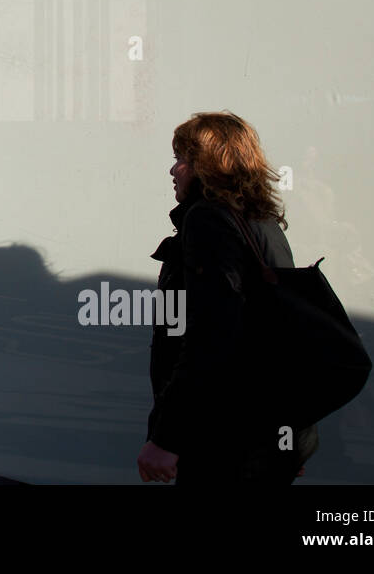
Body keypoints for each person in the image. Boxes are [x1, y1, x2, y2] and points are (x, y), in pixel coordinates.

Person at [138, 111, 318, 485]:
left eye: (182, 159)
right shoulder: (260, 222)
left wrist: (167, 438)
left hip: (222, 439)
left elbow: (211, 339)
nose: (174, 170)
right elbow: (284, 332)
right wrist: (294, 441)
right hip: (263, 434)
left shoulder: (208, 221)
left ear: (206, 165)